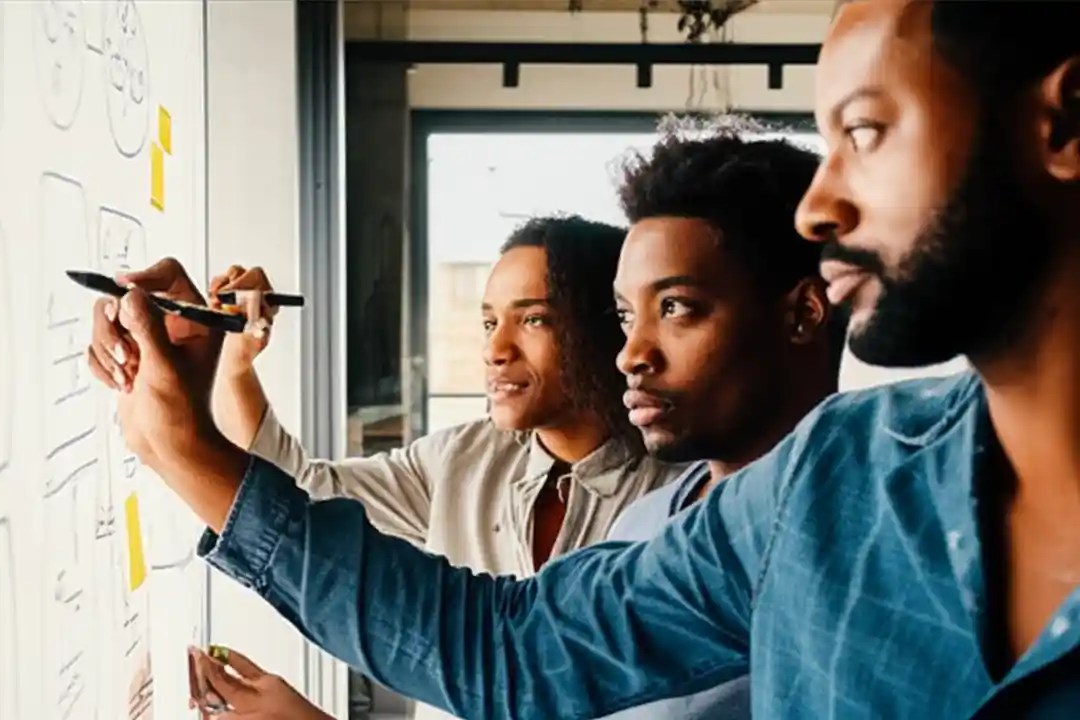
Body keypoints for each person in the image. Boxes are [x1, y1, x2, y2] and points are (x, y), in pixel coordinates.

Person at [101, 0, 1080, 717]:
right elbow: (506, 649)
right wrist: (185, 445)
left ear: (1064, 122)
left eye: (864, 133)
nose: (820, 210)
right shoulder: (822, 484)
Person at [89, 216, 683, 719]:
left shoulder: (680, 503)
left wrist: (174, 439)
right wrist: (237, 367)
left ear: (609, 330)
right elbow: (306, 499)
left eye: (533, 319)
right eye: (487, 321)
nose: (494, 348)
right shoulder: (463, 459)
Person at [599, 126, 844, 720]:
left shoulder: (869, 538)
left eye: (675, 307)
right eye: (627, 315)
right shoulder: (637, 532)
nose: (632, 354)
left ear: (802, 314)